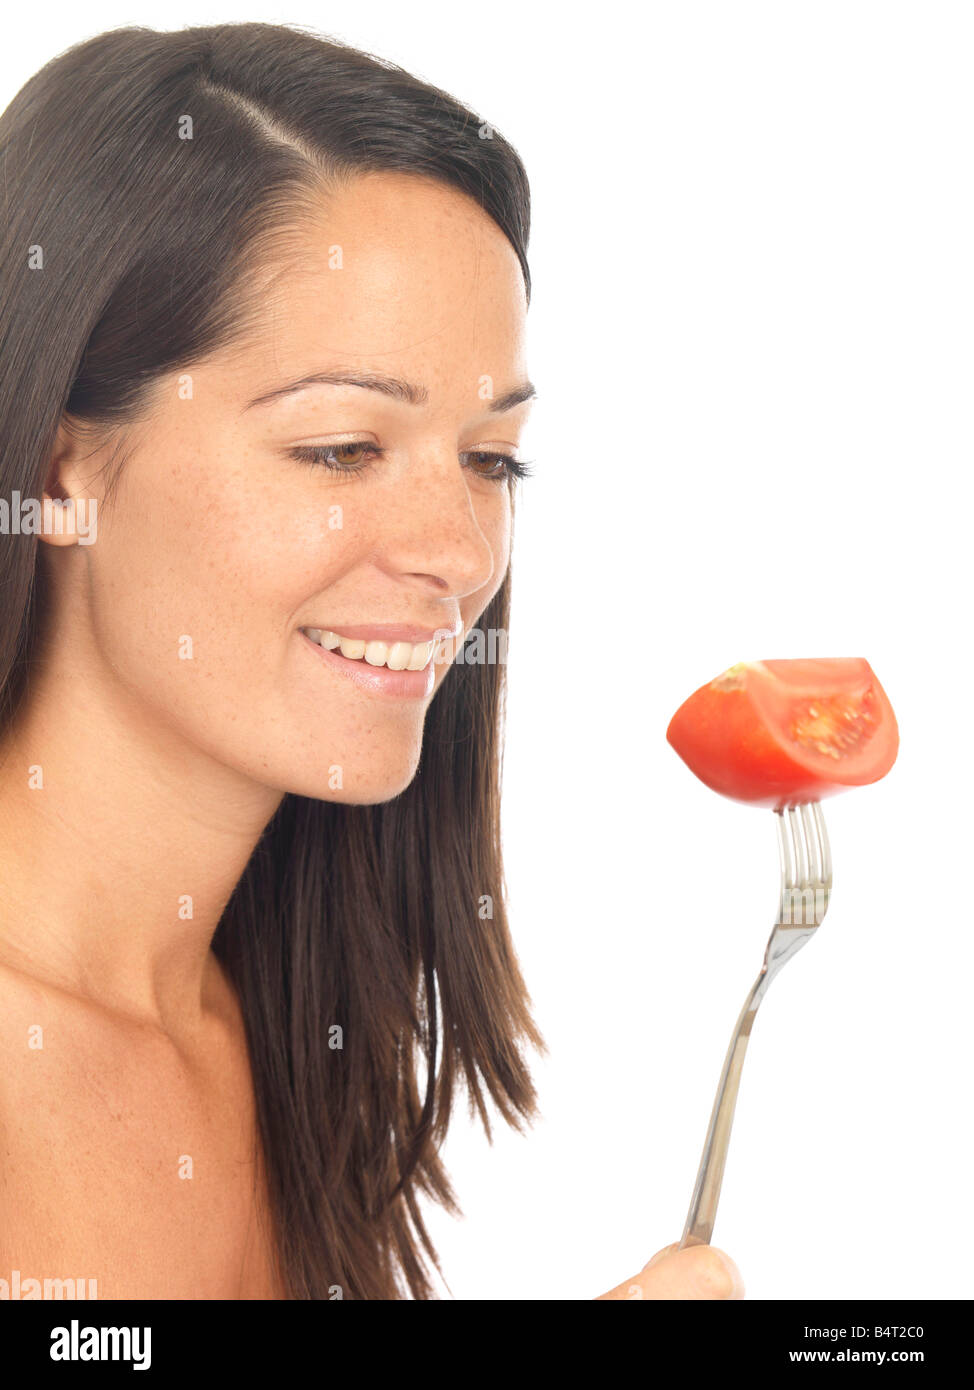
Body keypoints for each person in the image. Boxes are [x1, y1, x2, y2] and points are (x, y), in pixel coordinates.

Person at [0, 20, 743, 1301]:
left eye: (489, 458)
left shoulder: (269, 1023)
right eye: (342, 447)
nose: (458, 550)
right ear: (63, 468)